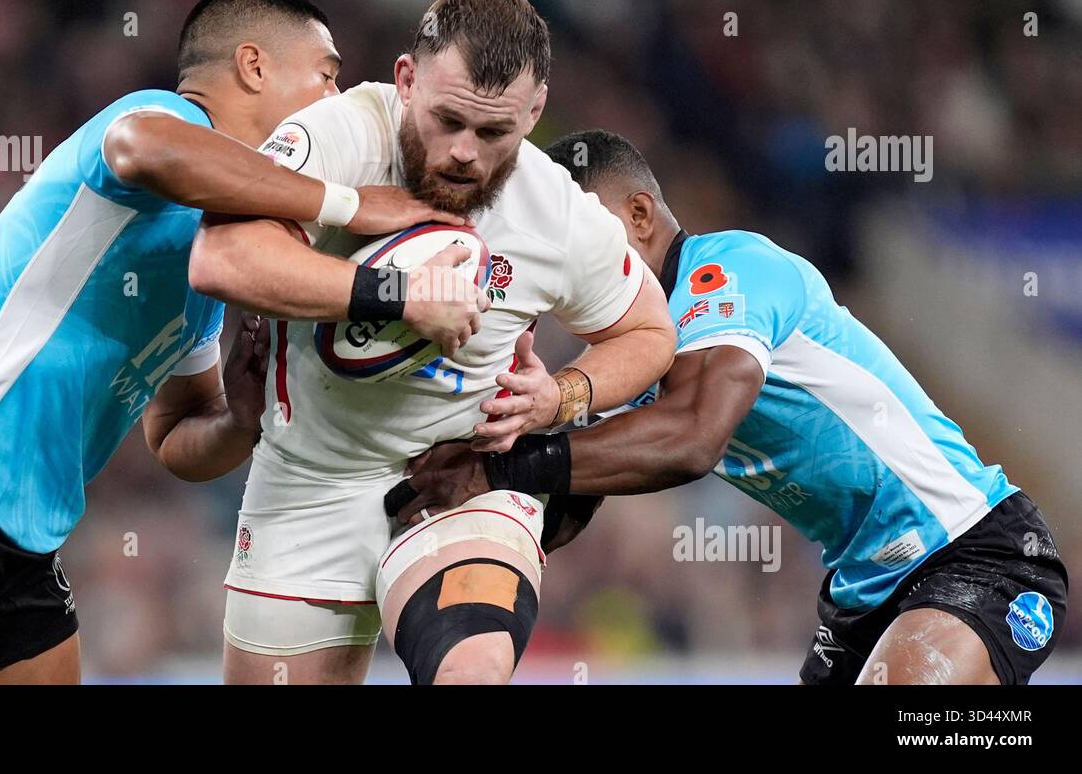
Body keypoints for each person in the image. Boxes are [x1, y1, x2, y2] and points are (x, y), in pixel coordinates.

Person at [0, 0, 463, 684]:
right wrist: (352, 203)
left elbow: (176, 434)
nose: (334, 104)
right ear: (253, 65)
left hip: (22, 542)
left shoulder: (210, 263)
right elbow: (143, 149)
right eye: (326, 77)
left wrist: (242, 417)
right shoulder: (162, 116)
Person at [391, 128, 1069, 685]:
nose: (568, 265)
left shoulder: (729, 271)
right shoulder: (628, 353)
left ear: (639, 215)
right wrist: (479, 475)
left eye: (579, 235)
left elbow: (693, 436)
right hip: (864, 596)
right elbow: (562, 506)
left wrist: (504, 469)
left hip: (972, 551)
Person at [186, 0, 677, 685]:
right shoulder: (338, 134)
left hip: (463, 481)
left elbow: (649, 331)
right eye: (447, 120)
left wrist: (562, 395)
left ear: (534, 113)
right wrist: (399, 297)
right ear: (406, 78)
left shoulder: (555, 209)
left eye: (495, 132)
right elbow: (221, 257)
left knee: (470, 671)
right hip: (307, 483)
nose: (465, 155)